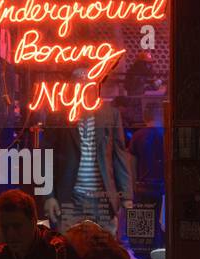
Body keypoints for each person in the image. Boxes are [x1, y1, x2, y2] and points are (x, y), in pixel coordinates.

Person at [42, 74, 135, 236]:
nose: (83, 85)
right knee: (70, 251)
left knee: (104, 254)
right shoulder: (58, 116)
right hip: (71, 199)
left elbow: (119, 156)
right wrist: (48, 196)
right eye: (78, 81)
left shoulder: (110, 114)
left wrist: (126, 195)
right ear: (71, 87)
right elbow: (45, 157)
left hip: (103, 199)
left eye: (88, 82)